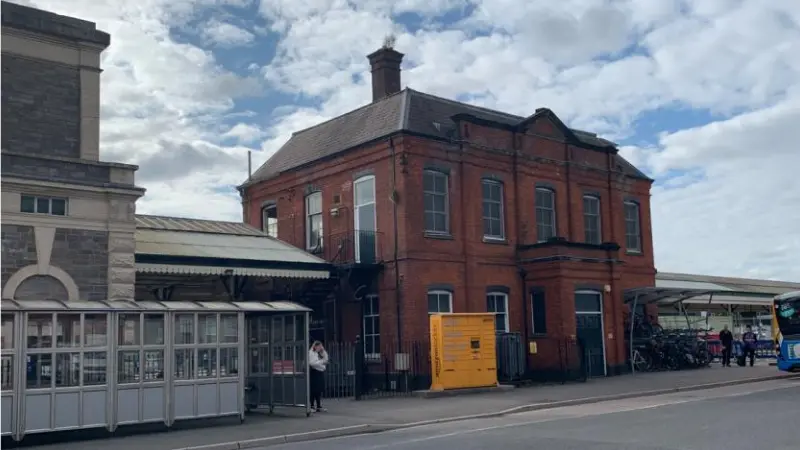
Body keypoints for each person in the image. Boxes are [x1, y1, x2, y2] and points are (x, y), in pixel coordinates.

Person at [308, 340, 329, 412]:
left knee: (319, 390)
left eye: (321, 347)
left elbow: (326, 359)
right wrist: (322, 362)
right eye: (319, 346)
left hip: (320, 372)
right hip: (314, 373)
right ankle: (311, 406)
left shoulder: (318, 353)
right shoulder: (311, 353)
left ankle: (319, 406)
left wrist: (323, 351)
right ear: (316, 346)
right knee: (313, 390)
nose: (321, 348)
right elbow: (312, 363)